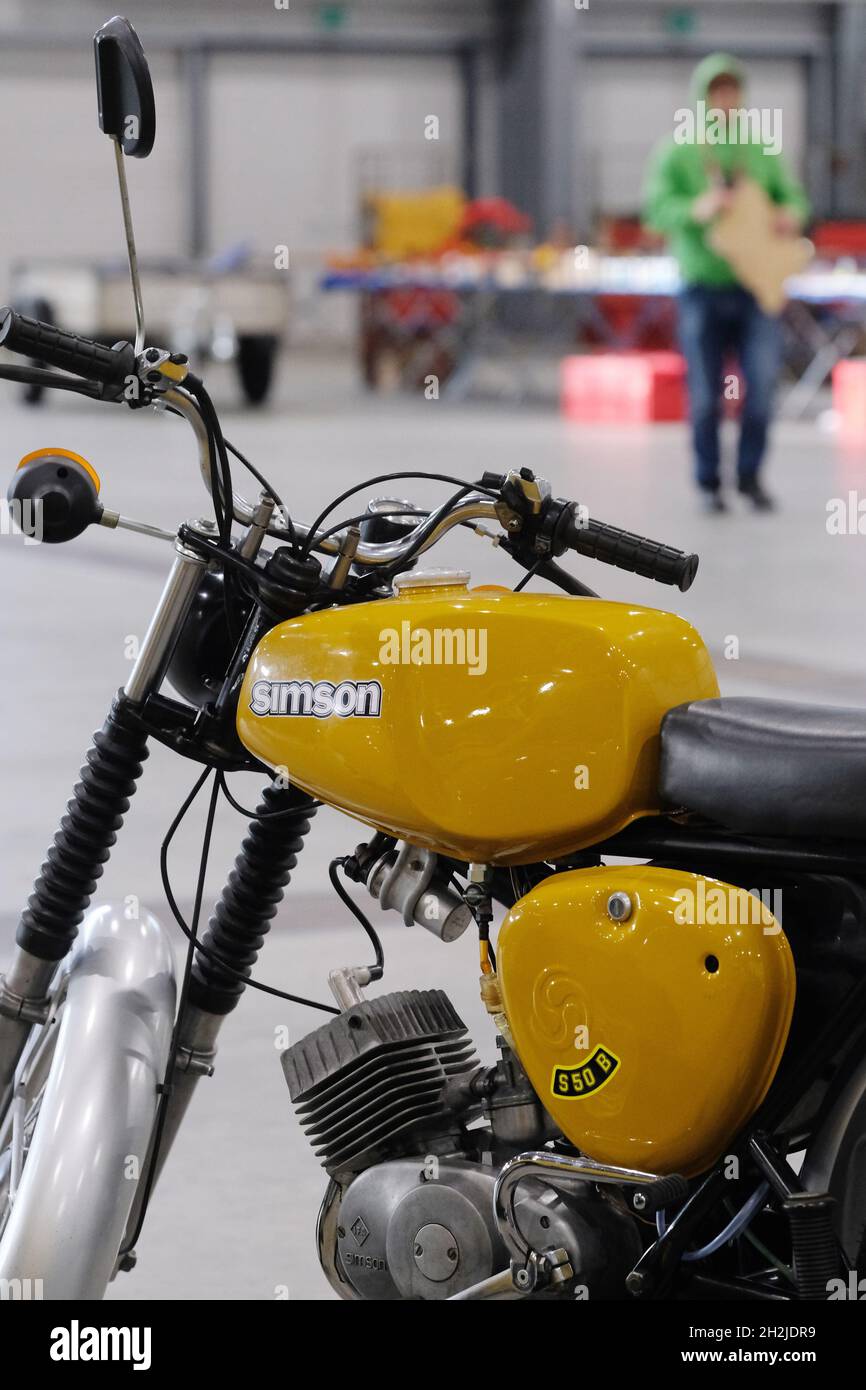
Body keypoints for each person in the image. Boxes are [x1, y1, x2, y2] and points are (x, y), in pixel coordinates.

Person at [643, 53, 809, 512]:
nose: (725, 100)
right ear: (703, 96)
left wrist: (789, 212)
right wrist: (693, 209)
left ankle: (751, 476)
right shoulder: (678, 152)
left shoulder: (761, 149)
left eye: (731, 90)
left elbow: (793, 196)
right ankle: (709, 482)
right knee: (705, 397)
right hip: (702, 286)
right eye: (716, 91)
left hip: (755, 289)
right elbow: (656, 209)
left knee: (759, 388)